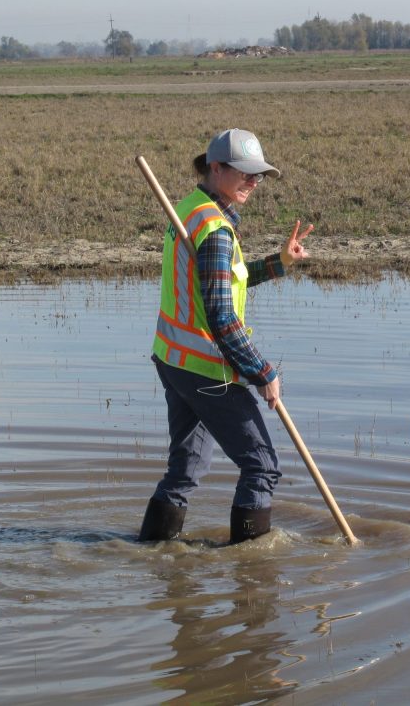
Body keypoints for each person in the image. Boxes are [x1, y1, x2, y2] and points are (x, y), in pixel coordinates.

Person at [139, 128, 313, 544]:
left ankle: (153, 555)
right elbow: (220, 315)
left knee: (185, 468)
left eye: (259, 176)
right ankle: (250, 572)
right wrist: (262, 371)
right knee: (262, 466)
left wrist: (278, 263)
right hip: (204, 368)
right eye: (245, 174)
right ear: (215, 168)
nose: (254, 183)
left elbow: (218, 282)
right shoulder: (215, 229)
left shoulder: (192, 209)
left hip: (174, 361)